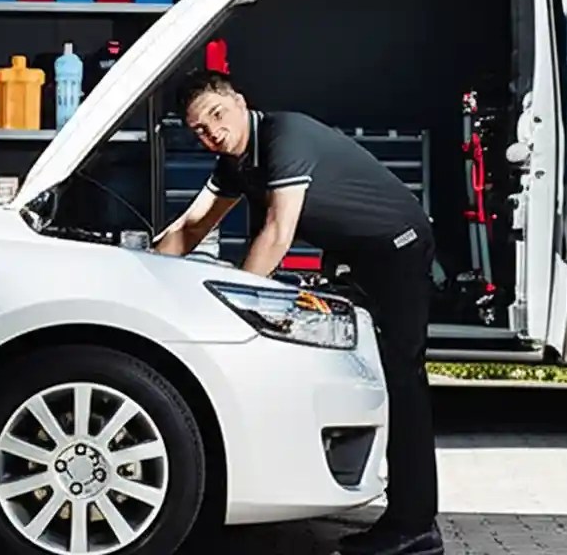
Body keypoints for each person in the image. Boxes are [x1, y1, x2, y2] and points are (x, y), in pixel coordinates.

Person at [152, 68, 443, 555]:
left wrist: (237, 304)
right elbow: (191, 227)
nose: (212, 133)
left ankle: (415, 527)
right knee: (341, 371)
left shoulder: (285, 136)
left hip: (397, 248)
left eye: (218, 117)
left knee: (402, 382)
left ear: (239, 101)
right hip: (351, 255)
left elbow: (277, 231)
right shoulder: (234, 161)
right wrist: (143, 273)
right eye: (200, 129)